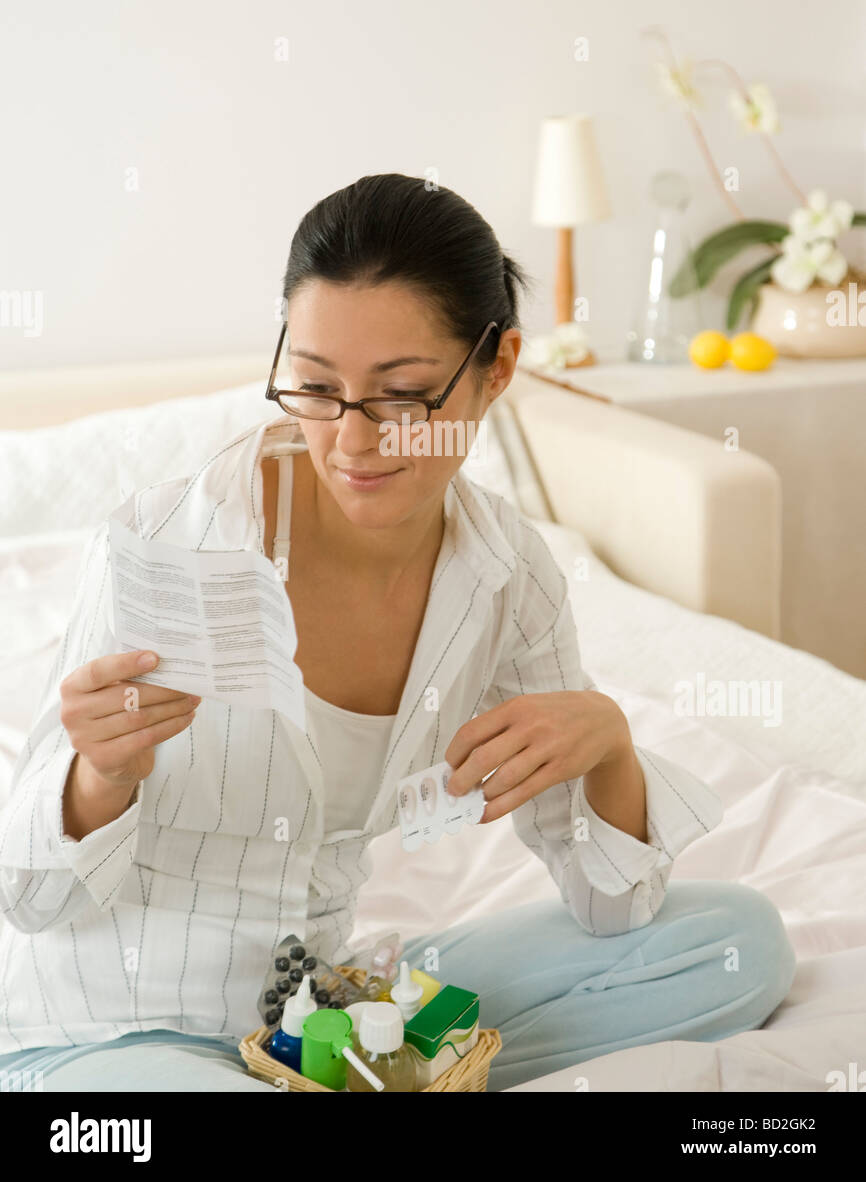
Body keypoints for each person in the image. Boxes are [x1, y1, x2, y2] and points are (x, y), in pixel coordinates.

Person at [0, 174, 796, 1093]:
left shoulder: (508, 575)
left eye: (402, 395)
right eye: (313, 387)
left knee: (735, 945)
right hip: (112, 1034)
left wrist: (610, 747)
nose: (349, 441)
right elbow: (27, 899)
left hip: (326, 1021)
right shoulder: (166, 543)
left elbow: (614, 910)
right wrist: (98, 777)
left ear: (497, 370)